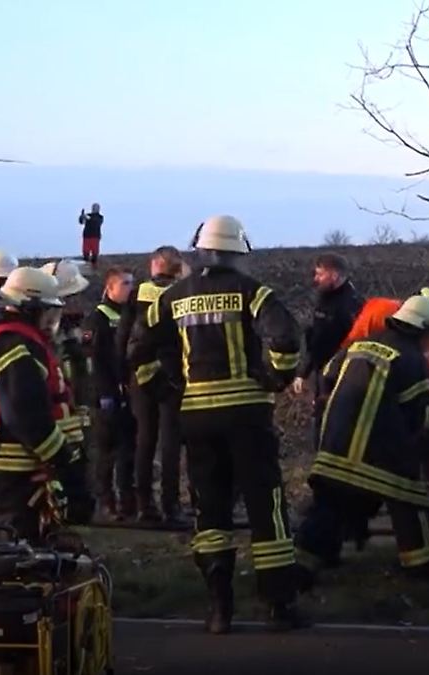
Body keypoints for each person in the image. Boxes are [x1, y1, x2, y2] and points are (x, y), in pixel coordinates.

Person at [128, 215, 308, 634]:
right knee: (267, 508)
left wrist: (166, 392)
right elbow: (283, 339)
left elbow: (138, 350)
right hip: (247, 415)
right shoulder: (253, 292)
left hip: (197, 417)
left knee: (210, 509)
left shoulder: (171, 296)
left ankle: (218, 611)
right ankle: (278, 607)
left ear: (200, 250)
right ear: (237, 252)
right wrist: (276, 377)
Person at [293, 296, 429, 588]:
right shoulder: (410, 358)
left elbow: (329, 374)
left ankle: (301, 570)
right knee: (409, 501)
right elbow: (418, 416)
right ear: (423, 328)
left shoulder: (361, 344)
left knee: (330, 506)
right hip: (378, 457)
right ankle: (423, 572)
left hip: (334, 449)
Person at [0, 266, 93, 542]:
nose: (51, 321)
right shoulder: (14, 343)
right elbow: (25, 414)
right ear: (30, 308)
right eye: (48, 313)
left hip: (16, 462)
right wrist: (63, 461)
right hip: (19, 465)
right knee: (21, 547)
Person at [117, 246, 187, 525]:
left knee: (145, 440)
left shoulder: (138, 294)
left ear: (156, 264)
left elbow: (123, 337)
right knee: (170, 442)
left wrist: (124, 375)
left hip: (141, 376)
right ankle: (171, 506)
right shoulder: (185, 293)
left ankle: (145, 505)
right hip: (173, 376)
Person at [82, 266, 138, 521]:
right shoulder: (98, 318)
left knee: (129, 450)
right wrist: (105, 392)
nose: (131, 288)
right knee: (107, 451)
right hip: (106, 395)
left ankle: (128, 501)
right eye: (125, 283)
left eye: (132, 283)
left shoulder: (132, 315)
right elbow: (95, 360)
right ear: (110, 287)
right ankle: (106, 503)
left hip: (130, 392)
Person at [292, 254, 364, 451]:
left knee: (339, 422)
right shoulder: (323, 299)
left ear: (334, 275)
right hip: (321, 372)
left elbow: (357, 342)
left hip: (344, 374)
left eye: (320, 274)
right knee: (320, 420)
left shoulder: (352, 304)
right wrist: (303, 372)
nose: (315, 279)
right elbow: (315, 339)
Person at [40, 259, 94, 446]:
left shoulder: (71, 332)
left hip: (77, 420)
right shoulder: (46, 339)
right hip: (57, 428)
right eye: (70, 297)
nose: (76, 302)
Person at [78, 203, 104, 268]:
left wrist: (87, 218)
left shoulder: (100, 217)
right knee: (85, 252)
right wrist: (81, 216)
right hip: (87, 236)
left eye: (96, 208)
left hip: (95, 237)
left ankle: (93, 267)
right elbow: (81, 222)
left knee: (95, 253)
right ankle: (85, 267)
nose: (94, 209)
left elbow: (96, 222)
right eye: (94, 208)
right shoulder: (87, 215)